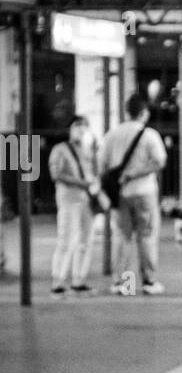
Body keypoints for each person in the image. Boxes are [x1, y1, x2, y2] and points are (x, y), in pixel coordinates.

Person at [100, 93, 168, 295]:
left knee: (123, 237)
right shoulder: (149, 135)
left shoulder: (112, 134)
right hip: (145, 192)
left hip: (120, 194)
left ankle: (124, 284)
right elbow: (159, 162)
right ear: (144, 113)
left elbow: (102, 163)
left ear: (127, 112)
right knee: (146, 236)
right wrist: (135, 173)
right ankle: (149, 282)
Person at [47, 115, 103, 296]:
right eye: (77, 126)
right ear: (70, 129)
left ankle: (79, 280)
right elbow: (56, 174)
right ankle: (58, 282)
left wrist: (95, 153)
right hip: (69, 199)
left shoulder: (88, 151)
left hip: (87, 199)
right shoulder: (60, 150)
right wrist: (81, 183)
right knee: (66, 239)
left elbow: (95, 173)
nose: (81, 129)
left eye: (84, 126)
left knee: (85, 240)